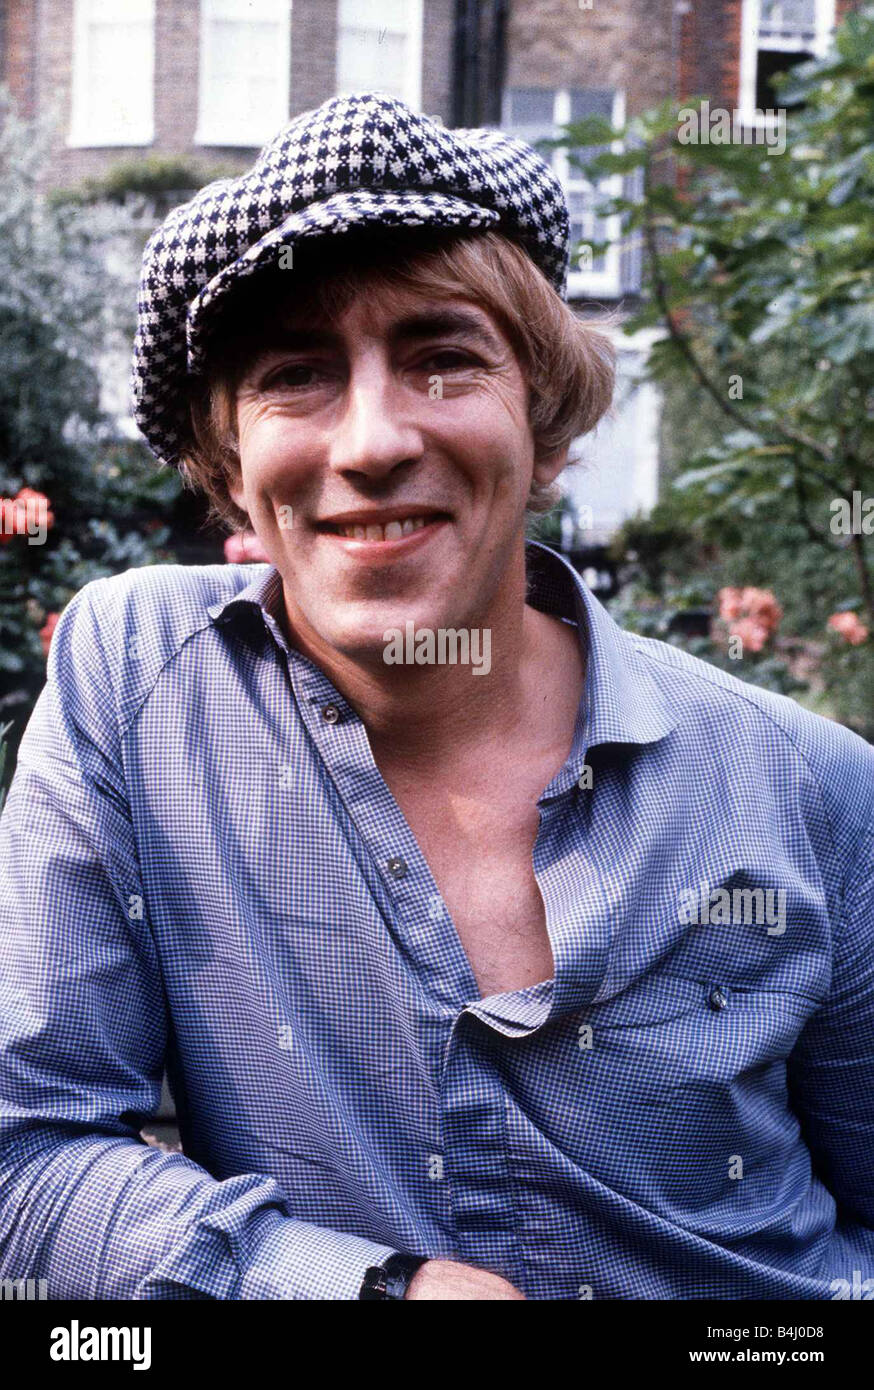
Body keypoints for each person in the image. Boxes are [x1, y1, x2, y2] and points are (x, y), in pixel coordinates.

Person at [0, 92, 872, 1302]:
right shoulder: (139, 686)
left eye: (442, 356)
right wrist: (357, 1289)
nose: (370, 439)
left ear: (542, 412)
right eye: (295, 373)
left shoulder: (809, 787)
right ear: (230, 468)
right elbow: (26, 1156)